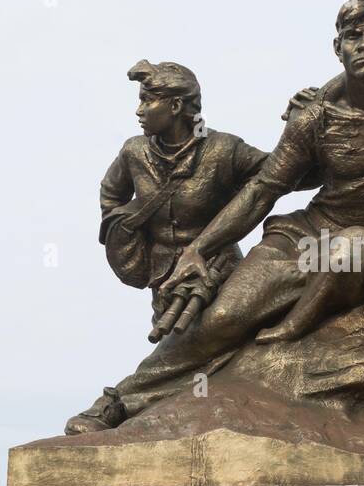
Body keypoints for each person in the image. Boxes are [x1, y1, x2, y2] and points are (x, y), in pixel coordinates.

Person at [64, 0, 364, 433]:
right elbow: (264, 188)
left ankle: (286, 333)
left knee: (351, 249)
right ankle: (117, 403)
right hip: (305, 236)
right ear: (337, 47)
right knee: (224, 317)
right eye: (353, 37)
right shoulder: (314, 115)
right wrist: (199, 249)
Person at [65, 58, 266, 432]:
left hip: (217, 274)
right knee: (181, 353)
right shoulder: (134, 152)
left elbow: (278, 175)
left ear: (175, 106)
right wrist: (130, 231)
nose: (139, 110)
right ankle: (165, 420)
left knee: (194, 349)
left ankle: (112, 406)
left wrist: (308, 117)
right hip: (164, 278)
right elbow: (111, 196)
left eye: (148, 101)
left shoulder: (223, 149)